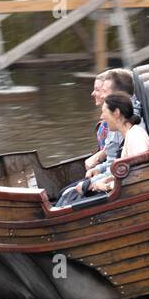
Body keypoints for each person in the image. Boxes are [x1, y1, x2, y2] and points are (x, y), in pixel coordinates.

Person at [55, 69, 135, 206]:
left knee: (67, 196)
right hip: (111, 175)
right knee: (65, 193)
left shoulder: (128, 127)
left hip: (117, 186)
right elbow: (114, 161)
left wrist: (97, 183)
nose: (100, 95)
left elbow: (126, 170)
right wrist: (100, 170)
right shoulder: (118, 120)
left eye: (103, 90)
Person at [59, 93, 149, 202]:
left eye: (104, 112)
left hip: (129, 198)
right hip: (123, 192)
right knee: (67, 194)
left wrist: (107, 186)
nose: (101, 117)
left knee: (69, 198)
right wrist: (108, 179)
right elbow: (128, 173)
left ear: (116, 113)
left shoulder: (135, 136)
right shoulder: (129, 134)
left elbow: (142, 174)